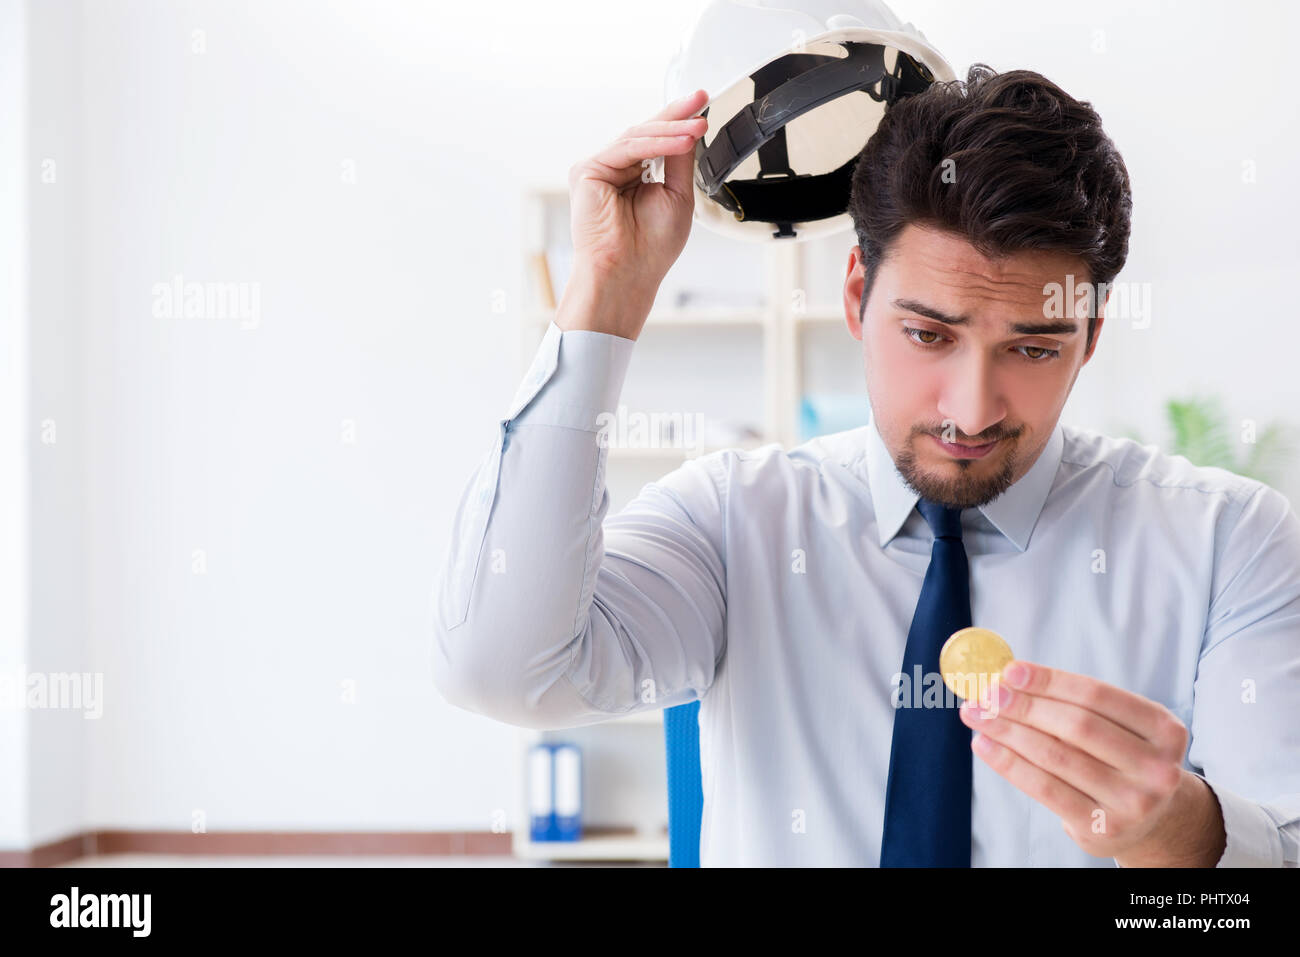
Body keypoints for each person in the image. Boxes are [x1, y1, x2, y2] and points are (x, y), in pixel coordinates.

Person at [432, 65, 1300, 866]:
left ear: (1091, 337)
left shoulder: (1231, 543)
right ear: (855, 295)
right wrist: (604, 302)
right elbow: (505, 670)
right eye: (929, 334)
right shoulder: (735, 520)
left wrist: (1181, 830)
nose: (971, 408)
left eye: (1032, 348)